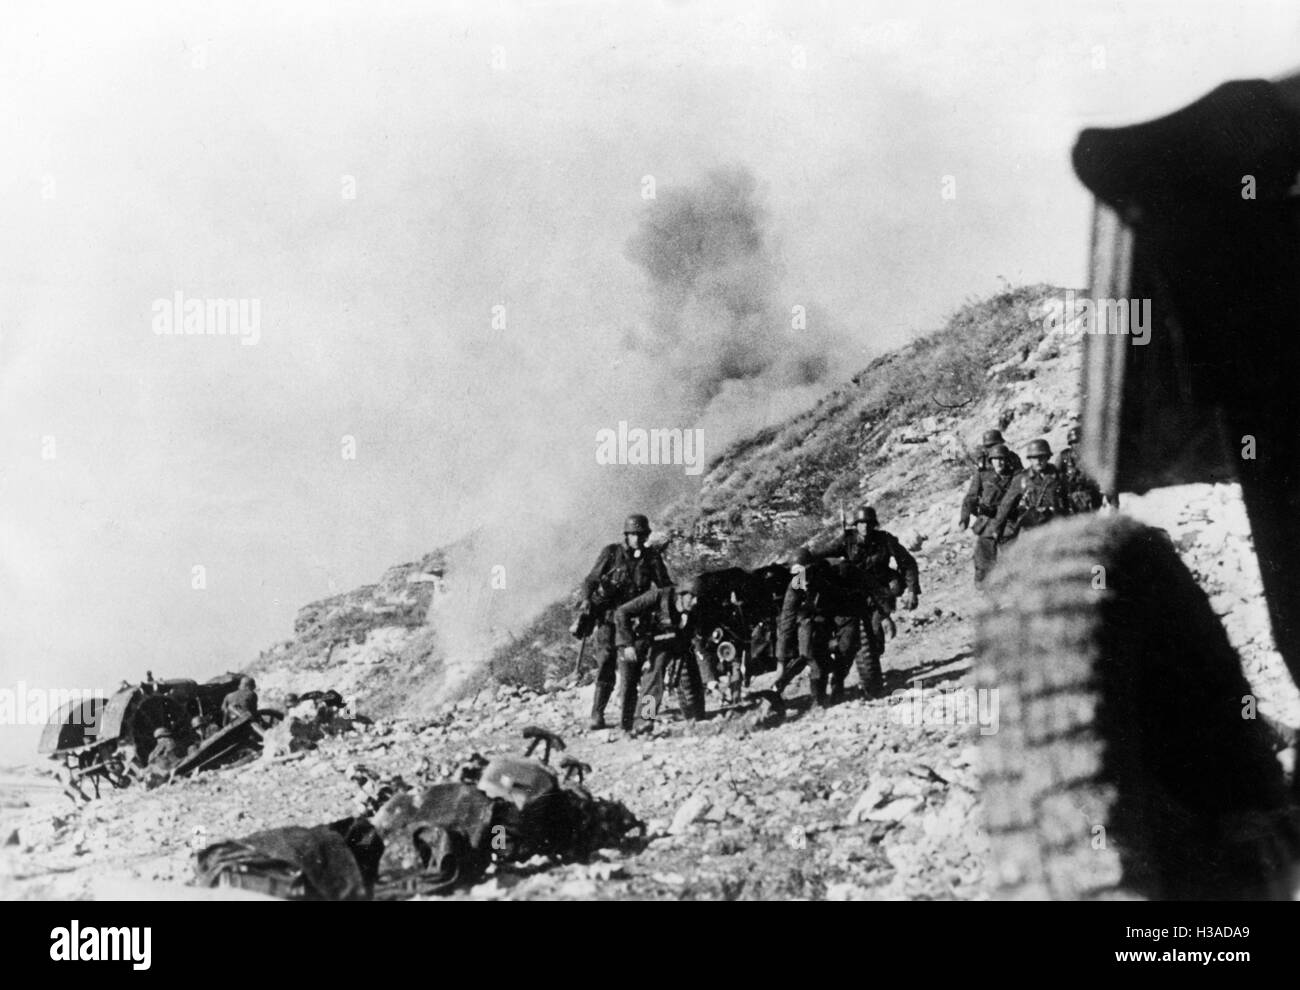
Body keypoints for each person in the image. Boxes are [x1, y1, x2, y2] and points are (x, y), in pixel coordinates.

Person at [805, 506, 920, 700]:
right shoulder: (847, 540)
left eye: (868, 523)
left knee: (874, 637)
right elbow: (822, 553)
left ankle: (870, 678)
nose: (864, 527)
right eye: (860, 523)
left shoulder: (885, 540)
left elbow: (907, 563)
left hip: (879, 594)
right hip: (854, 595)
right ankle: (854, 680)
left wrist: (912, 591)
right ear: (855, 525)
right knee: (851, 640)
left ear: (873, 524)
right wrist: (805, 556)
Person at [578, 513, 672, 729]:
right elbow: (591, 579)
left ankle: (643, 718)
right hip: (610, 621)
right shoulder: (612, 553)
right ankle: (599, 714)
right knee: (606, 664)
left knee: (641, 673)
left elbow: (664, 586)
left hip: (636, 625)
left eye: (641, 535)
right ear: (626, 535)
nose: (637, 539)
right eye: (633, 535)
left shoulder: (651, 558)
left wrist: (675, 606)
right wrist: (585, 601)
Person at [613, 576, 705, 734]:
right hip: (636, 641)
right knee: (645, 680)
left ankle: (697, 716)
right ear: (681, 595)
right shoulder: (657, 596)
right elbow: (621, 612)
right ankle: (641, 722)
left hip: (665, 640)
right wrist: (628, 645)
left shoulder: (693, 609)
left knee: (688, 668)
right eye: (692, 597)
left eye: (698, 598)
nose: (695, 602)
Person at [993, 438, 1073, 541]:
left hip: (1055, 528)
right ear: (1029, 459)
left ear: (1048, 457)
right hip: (1031, 530)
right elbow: (1006, 505)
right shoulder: (1022, 478)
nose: (1038, 461)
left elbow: (1069, 503)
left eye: (1041, 457)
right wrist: (997, 528)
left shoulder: (1059, 477)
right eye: (1034, 458)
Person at [962, 443, 1019, 582]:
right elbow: (971, 497)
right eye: (995, 459)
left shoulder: (1015, 476)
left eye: (1002, 459)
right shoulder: (983, 475)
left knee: (1013, 558)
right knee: (984, 561)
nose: (999, 462)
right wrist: (964, 517)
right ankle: (987, 591)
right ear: (991, 461)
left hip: (1007, 524)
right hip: (987, 522)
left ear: (1007, 460)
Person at [1055, 426, 1104, 512]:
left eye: (1081, 442)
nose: (1078, 445)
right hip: (1070, 498)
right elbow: (1054, 476)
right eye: (1075, 442)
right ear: (1070, 444)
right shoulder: (1064, 457)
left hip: (1091, 497)